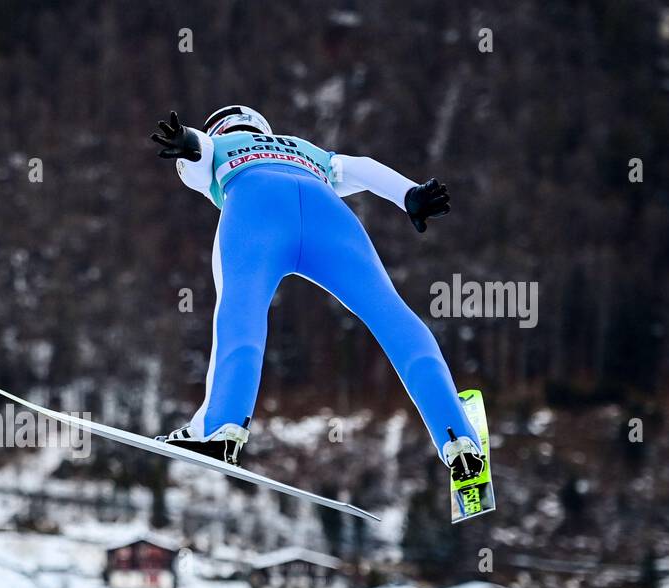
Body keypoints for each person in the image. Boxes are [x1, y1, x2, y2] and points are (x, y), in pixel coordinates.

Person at [150, 104, 483, 481]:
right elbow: (364, 167)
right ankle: (459, 439)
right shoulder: (303, 147)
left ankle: (220, 430)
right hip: (328, 214)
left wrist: (185, 139)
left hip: (256, 209)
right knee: (392, 316)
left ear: (221, 128)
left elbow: (197, 149)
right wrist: (410, 195)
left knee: (240, 314)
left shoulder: (222, 144)